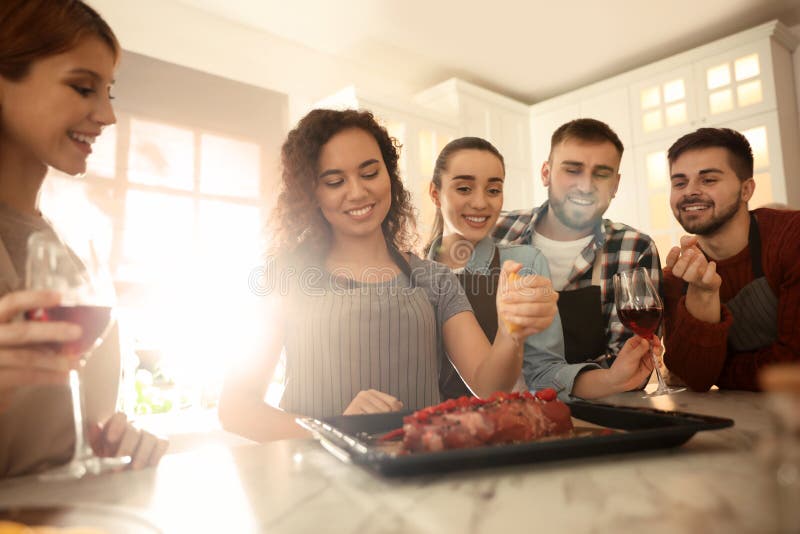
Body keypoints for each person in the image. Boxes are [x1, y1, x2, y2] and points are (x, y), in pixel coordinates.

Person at [218, 109, 560, 442]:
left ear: (389, 177)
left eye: (370, 173)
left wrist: (511, 335)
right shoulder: (285, 279)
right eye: (335, 181)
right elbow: (235, 408)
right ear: (312, 193)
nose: (357, 192)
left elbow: (490, 386)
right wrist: (334, 427)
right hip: (318, 482)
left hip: (417, 477)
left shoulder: (436, 279)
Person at [0, 0, 167, 477]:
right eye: (82, 88)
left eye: (108, 92)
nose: (108, 116)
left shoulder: (69, 254)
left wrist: (110, 443)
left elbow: (62, 435)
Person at [426, 137, 657, 400]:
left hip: (501, 427)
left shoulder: (524, 264)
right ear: (435, 194)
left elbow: (543, 373)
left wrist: (611, 379)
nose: (480, 202)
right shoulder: (410, 271)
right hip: (419, 431)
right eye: (464, 188)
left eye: (493, 190)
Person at [492, 118, 662, 367]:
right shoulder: (496, 229)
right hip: (498, 402)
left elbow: (631, 368)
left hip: (593, 406)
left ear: (615, 185)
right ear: (546, 173)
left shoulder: (634, 247)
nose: (585, 186)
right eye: (572, 170)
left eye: (602, 174)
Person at [662, 127, 800, 391]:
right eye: (679, 182)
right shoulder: (676, 276)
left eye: (708, 180)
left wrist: (721, 370)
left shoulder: (791, 238)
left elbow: (792, 365)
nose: (690, 192)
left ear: (746, 189)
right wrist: (702, 295)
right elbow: (695, 378)